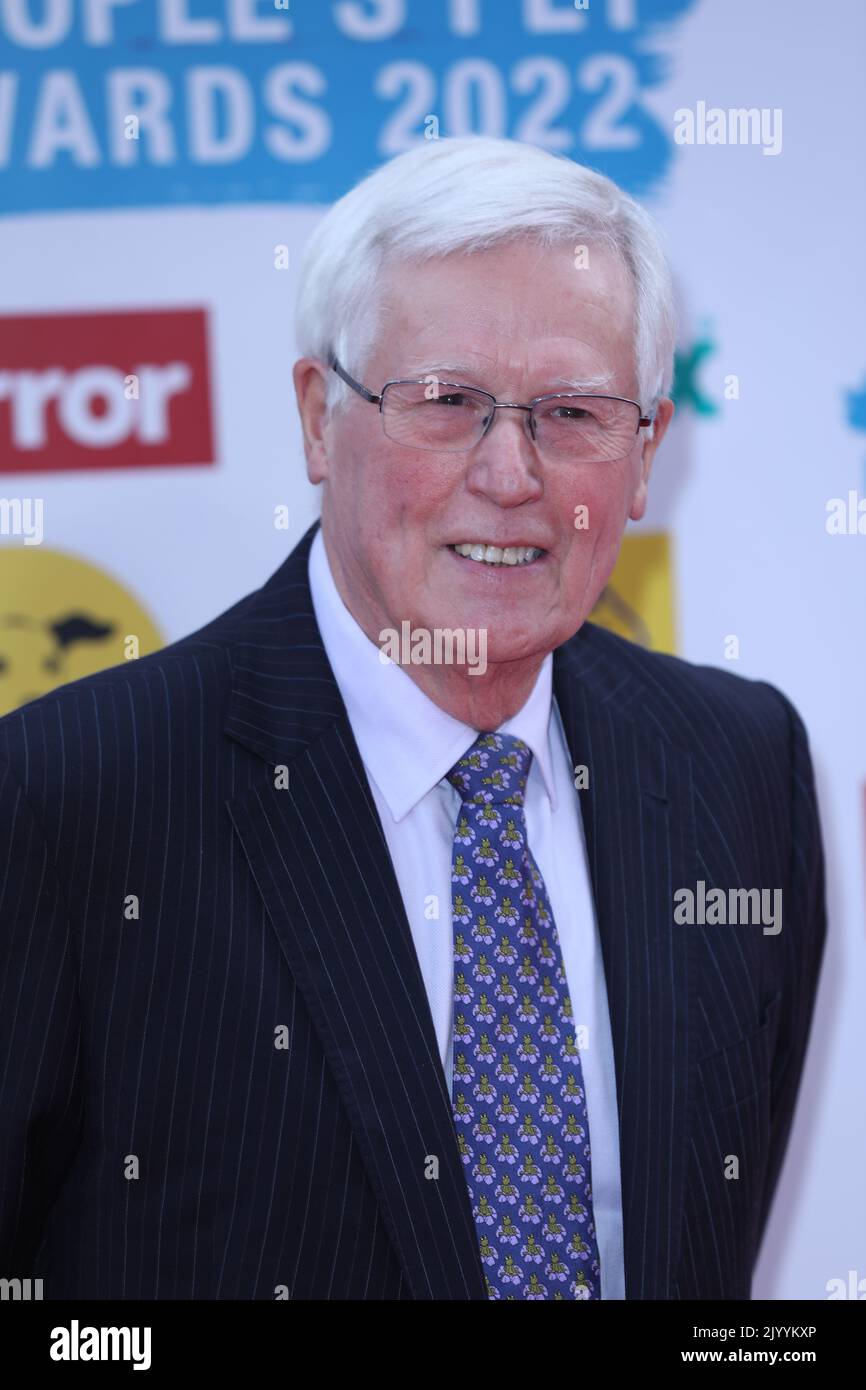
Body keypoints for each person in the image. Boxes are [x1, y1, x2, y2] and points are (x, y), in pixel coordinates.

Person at [0, 136, 825, 1300]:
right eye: (445, 402)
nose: (508, 472)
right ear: (314, 419)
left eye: (572, 410)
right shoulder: (67, 797)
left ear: (643, 457)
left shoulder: (737, 768)